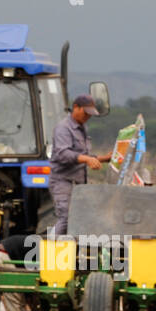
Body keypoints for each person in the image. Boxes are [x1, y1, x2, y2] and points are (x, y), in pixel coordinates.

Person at [48, 93, 110, 235]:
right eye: (85, 113)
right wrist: (88, 160)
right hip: (62, 182)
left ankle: (71, 247)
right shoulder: (63, 128)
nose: (88, 116)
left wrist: (104, 158)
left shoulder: (82, 128)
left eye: (90, 114)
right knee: (66, 218)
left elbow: (83, 156)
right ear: (76, 107)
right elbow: (63, 154)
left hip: (77, 184)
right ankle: (49, 246)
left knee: (79, 219)